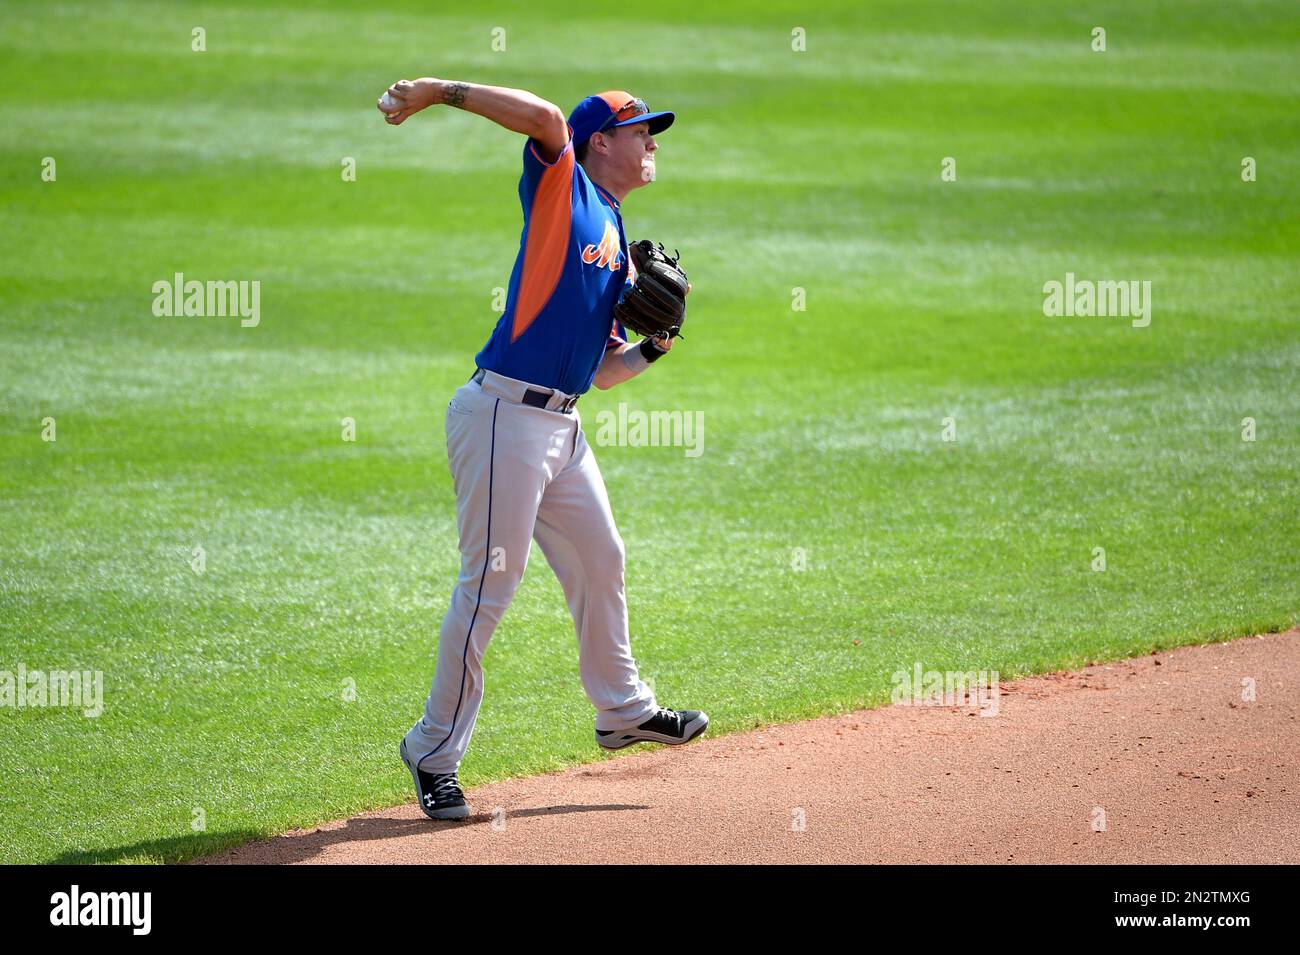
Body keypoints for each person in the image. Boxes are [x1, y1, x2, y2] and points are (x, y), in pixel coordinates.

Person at [378, 79, 708, 820]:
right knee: (489, 588)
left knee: (602, 558)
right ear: (601, 142)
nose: (651, 143)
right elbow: (544, 117)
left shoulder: (618, 240)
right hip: (503, 417)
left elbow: (602, 372)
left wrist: (657, 347)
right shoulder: (566, 189)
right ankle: (432, 750)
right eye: (640, 131)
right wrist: (435, 92)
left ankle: (621, 708)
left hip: (560, 427)